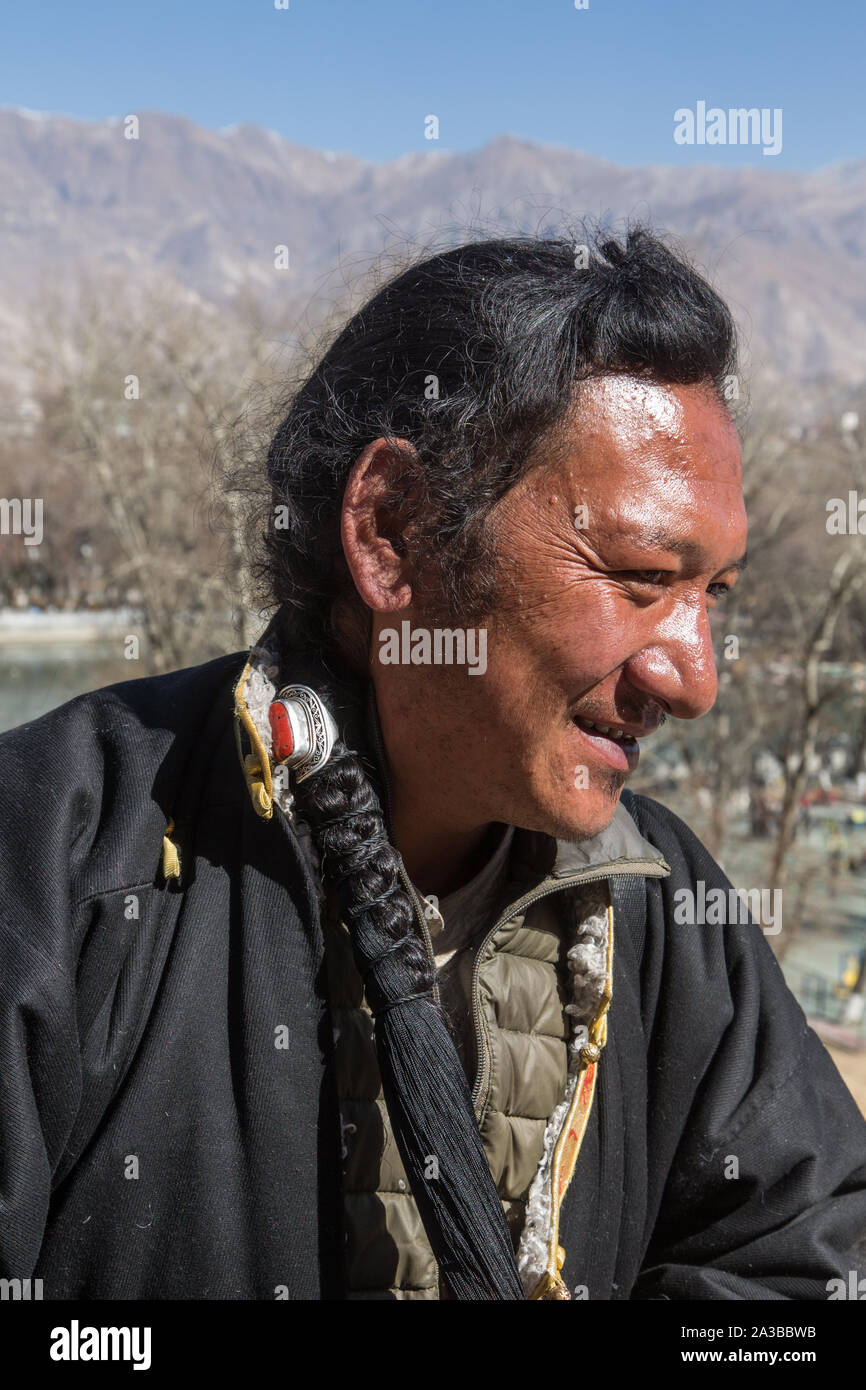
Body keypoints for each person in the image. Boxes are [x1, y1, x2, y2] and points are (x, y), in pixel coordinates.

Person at [2, 229, 865, 1301]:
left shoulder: (661, 911)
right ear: (393, 532)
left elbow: (804, 1262)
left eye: (713, 594)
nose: (694, 677)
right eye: (640, 575)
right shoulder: (56, 865)